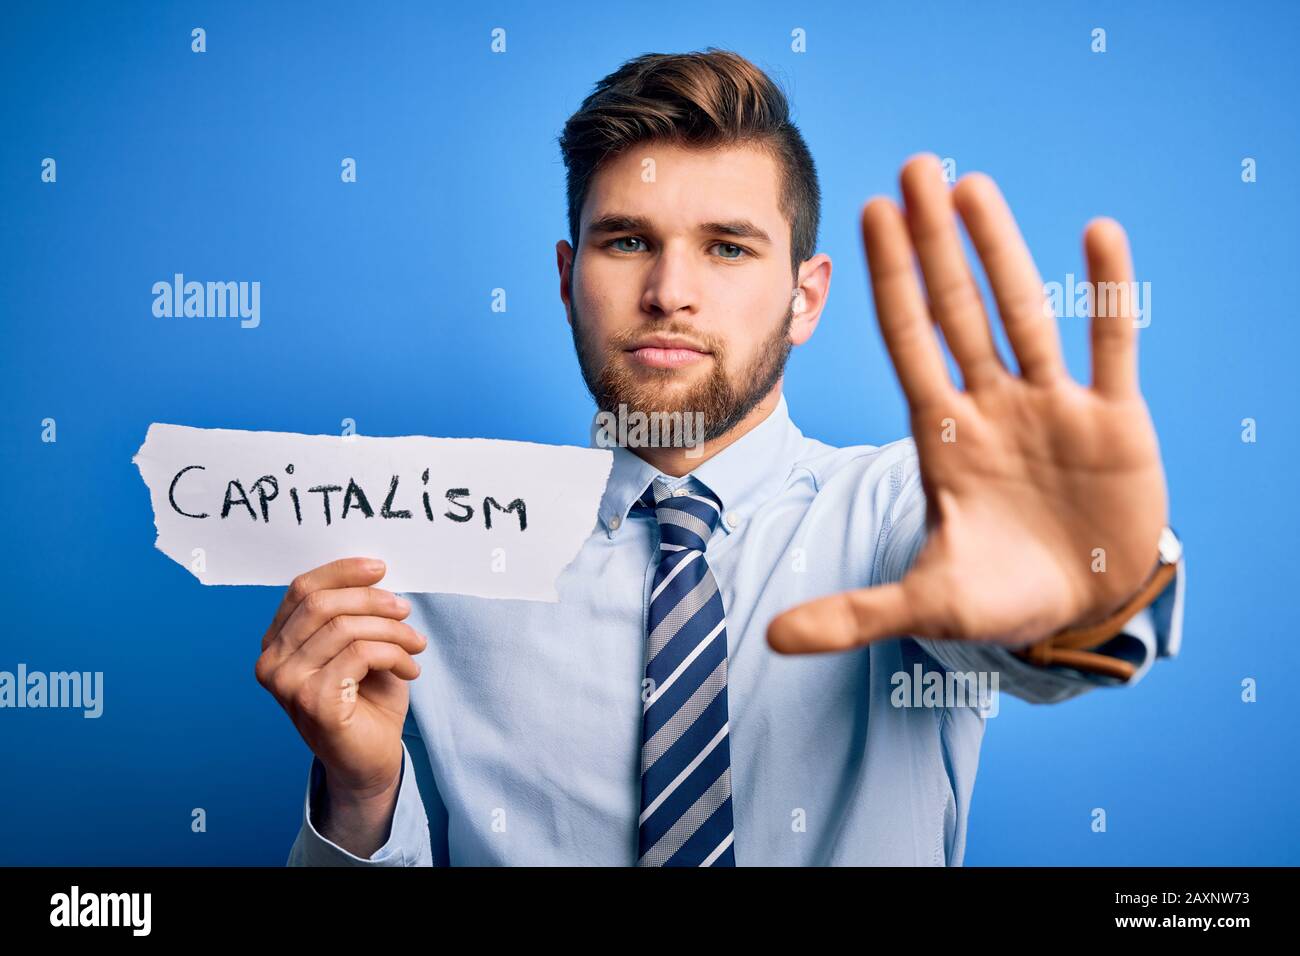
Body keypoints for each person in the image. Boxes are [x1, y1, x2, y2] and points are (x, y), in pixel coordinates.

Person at [256, 49, 1184, 866]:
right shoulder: (438, 563)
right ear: (567, 280)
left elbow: (1025, 624)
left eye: (729, 248)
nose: (670, 293)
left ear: (805, 299)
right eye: (627, 242)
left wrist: (1081, 583)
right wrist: (360, 800)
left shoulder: (903, 512)